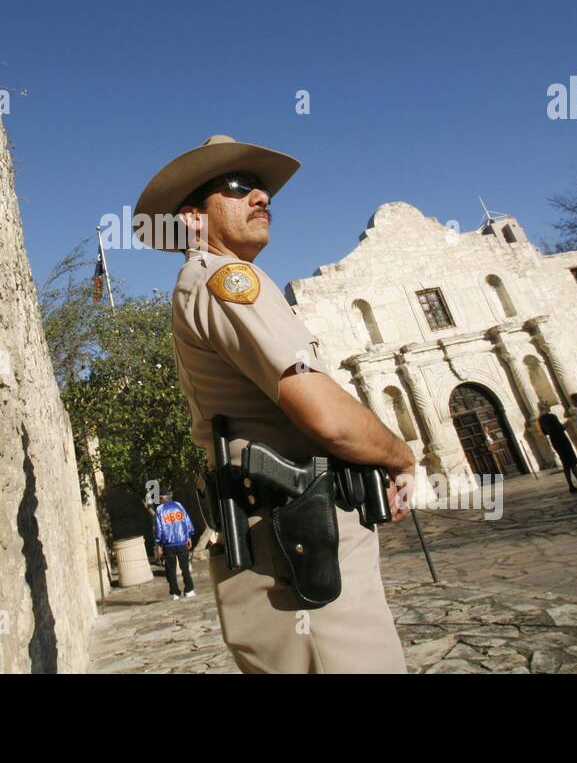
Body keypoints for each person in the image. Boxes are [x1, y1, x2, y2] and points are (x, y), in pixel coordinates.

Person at [135, 134, 414, 673]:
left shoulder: (213, 282)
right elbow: (323, 413)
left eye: (263, 189)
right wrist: (399, 455)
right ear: (193, 218)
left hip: (290, 540)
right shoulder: (226, 279)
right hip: (299, 545)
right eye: (239, 187)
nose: (262, 197)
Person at [153, 489, 197, 599]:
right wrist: (189, 536)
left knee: (170, 570)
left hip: (168, 544)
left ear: (162, 498)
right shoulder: (178, 505)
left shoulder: (159, 509)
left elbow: (159, 528)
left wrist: (158, 543)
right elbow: (187, 521)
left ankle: (175, 593)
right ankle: (189, 590)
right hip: (182, 541)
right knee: (185, 567)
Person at [538, 401, 577, 493]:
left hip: (554, 440)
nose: (549, 407)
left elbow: (545, 432)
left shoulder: (541, 419)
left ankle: (571, 485)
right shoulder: (552, 416)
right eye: (548, 405)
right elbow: (560, 428)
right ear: (545, 407)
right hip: (562, 439)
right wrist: (567, 424)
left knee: (566, 464)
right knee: (572, 462)